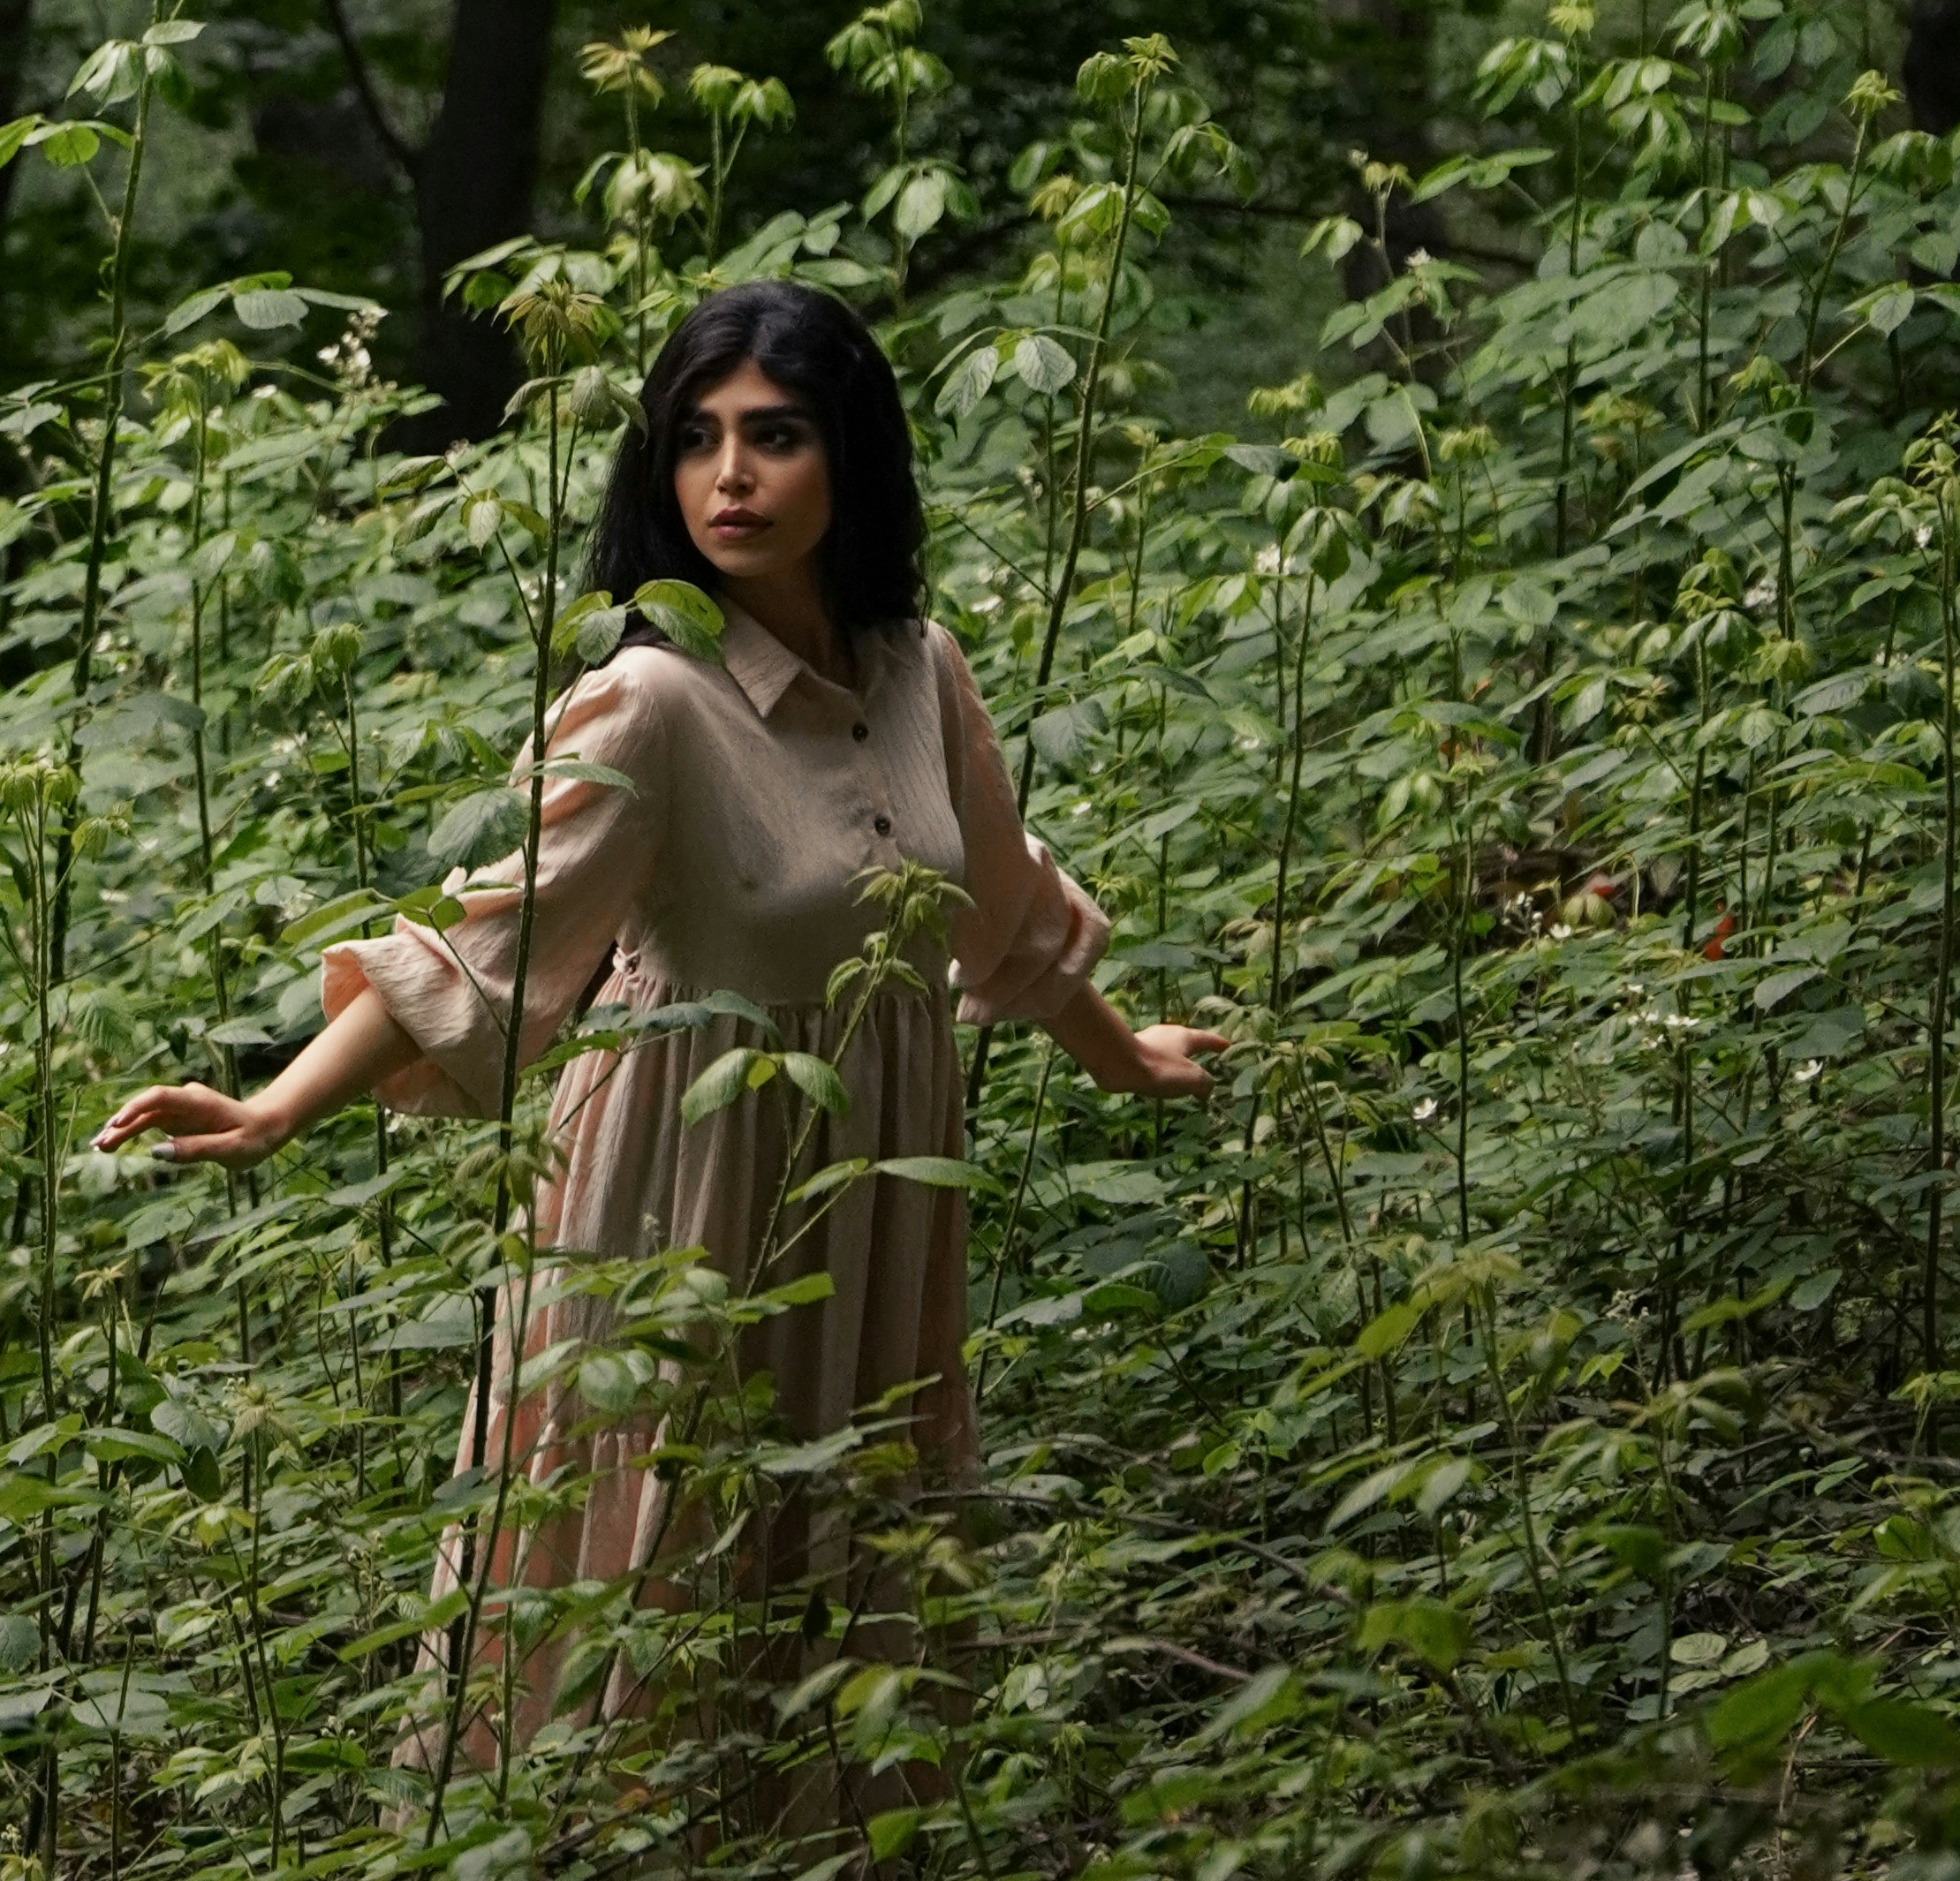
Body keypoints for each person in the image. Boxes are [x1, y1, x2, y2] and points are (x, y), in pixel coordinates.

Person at [98, 282, 1221, 1731]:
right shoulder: (652, 698)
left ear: (853, 457)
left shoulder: (922, 671)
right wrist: (268, 1113)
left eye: (775, 436)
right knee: (668, 1527)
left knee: (856, 1504)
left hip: (876, 1185)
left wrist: (1121, 1054)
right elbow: (491, 940)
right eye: (696, 440)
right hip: (681, 1187)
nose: (731, 477)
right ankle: (601, 1879)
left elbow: (998, 908)